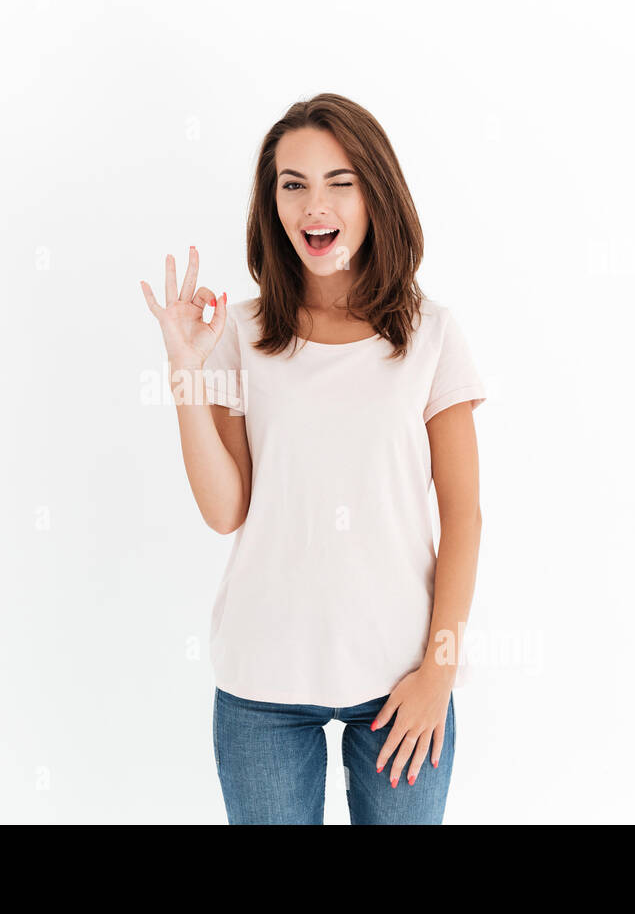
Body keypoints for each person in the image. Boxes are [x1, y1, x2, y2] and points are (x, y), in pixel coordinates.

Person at [140, 93, 486, 824]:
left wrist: (439, 673)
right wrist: (186, 374)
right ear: (272, 203)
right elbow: (225, 508)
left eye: (339, 181)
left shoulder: (431, 336)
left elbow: (463, 517)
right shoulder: (240, 333)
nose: (313, 204)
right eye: (292, 184)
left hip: (403, 684)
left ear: (375, 194)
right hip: (263, 683)